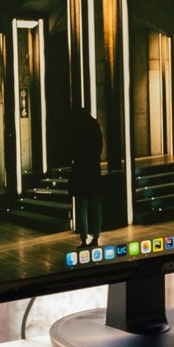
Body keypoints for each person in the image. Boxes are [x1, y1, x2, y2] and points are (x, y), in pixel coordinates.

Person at [69, 106, 104, 247]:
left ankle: (84, 239)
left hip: (80, 171)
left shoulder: (76, 127)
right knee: (95, 206)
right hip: (93, 170)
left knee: (82, 207)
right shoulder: (94, 125)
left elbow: (72, 149)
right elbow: (99, 147)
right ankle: (96, 237)